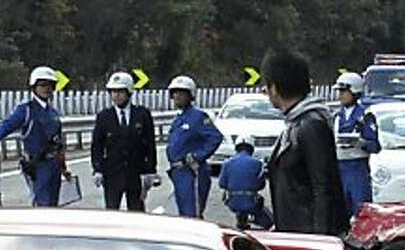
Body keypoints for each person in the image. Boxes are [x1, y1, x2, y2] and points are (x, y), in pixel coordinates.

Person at [263, 48, 347, 235]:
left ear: (275, 88)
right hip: (294, 231)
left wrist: (320, 242)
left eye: (267, 86)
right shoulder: (294, 122)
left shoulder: (311, 125)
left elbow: (323, 187)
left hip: (308, 238)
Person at [0, 66, 68, 206]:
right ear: (34, 87)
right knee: (42, 203)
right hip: (37, 165)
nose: (47, 88)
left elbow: (59, 142)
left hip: (53, 164)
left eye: (50, 85)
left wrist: (63, 167)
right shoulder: (26, 109)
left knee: (54, 205)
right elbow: (8, 124)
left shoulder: (53, 112)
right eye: (42, 85)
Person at [90, 71, 158, 212]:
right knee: (112, 212)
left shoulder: (142, 114)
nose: (116, 96)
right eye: (113, 92)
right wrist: (97, 169)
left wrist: (150, 170)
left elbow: (150, 145)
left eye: (120, 92)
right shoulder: (104, 116)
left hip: (135, 173)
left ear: (129, 92)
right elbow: (97, 145)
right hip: (112, 173)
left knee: (137, 211)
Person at [163, 74, 223, 218]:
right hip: (178, 172)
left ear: (191, 95)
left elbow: (215, 137)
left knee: (192, 214)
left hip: (191, 172)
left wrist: (198, 155)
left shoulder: (198, 117)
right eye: (175, 93)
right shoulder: (178, 119)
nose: (177, 96)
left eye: (182, 93)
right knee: (183, 213)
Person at [331, 71, 381, 213]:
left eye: (343, 91)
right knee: (339, 209)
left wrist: (361, 143)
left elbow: (375, 146)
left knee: (360, 208)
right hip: (339, 166)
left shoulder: (365, 116)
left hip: (357, 167)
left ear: (354, 91)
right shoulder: (336, 116)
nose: (340, 95)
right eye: (339, 91)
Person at [219, 139, 274, 230]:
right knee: (270, 222)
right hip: (252, 201)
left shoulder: (227, 163)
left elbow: (222, 184)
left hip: (233, 202)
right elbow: (261, 185)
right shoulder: (257, 163)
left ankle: (242, 223)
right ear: (251, 149)